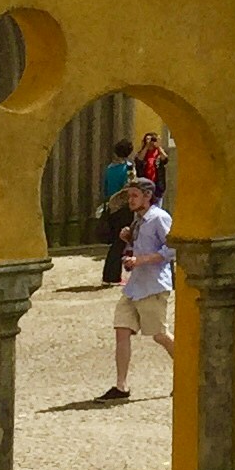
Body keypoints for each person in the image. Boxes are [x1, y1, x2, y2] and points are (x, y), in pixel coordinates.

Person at [99, 176, 172, 401]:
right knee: (121, 330)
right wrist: (129, 239)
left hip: (153, 286)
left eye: (134, 195)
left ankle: (191, 373)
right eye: (129, 196)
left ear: (147, 196)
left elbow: (173, 248)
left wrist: (142, 260)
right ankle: (121, 386)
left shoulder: (159, 218)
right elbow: (140, 245)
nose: (130, 200)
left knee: (160, 335)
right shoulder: (138, 220)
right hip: (134, 287)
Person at [97, 136, 136, 285]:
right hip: (123, 207)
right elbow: (130, 187)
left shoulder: (109, 168)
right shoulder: (128, 168)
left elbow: (106, 188)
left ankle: (111, 275)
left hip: (111, 207)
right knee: (120, 242)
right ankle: (112, 276)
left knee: (116, 241)